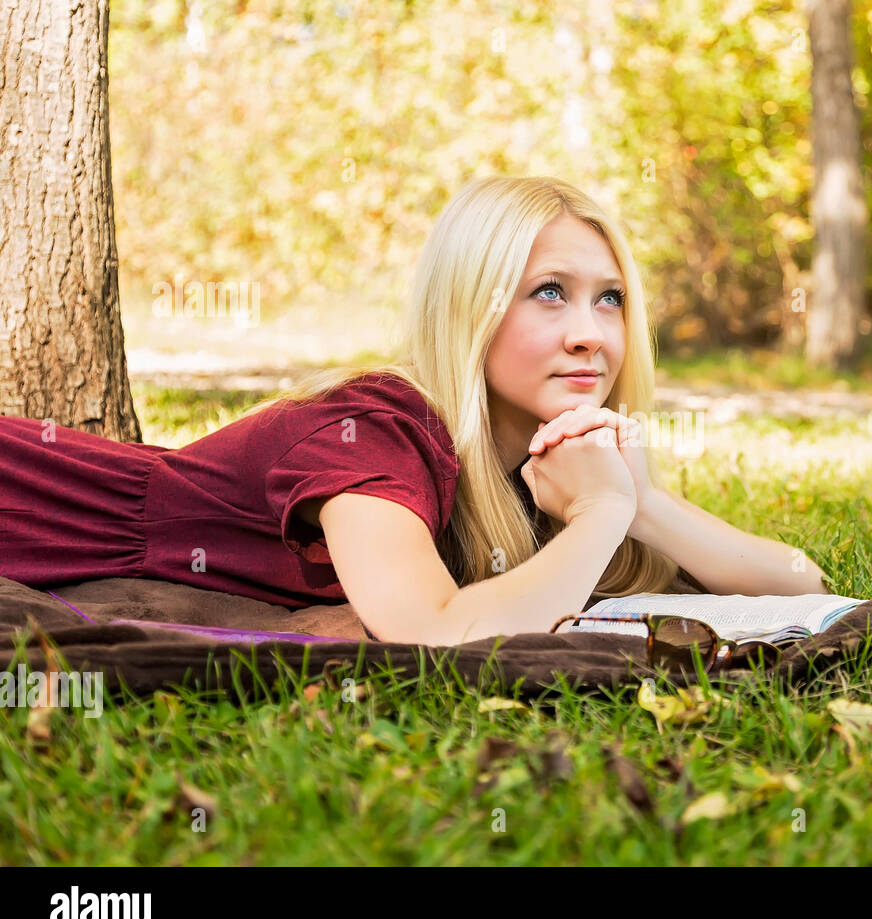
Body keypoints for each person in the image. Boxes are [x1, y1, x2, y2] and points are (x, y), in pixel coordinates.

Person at [0, 175, 828, 646]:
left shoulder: (529, 468)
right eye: (550, 294)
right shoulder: (382, 430)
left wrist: (637, 502)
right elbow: (430, 635)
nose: (590, 335)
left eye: (609, 300)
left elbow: (798, 584)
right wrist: (606, 510)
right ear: (471, 306)